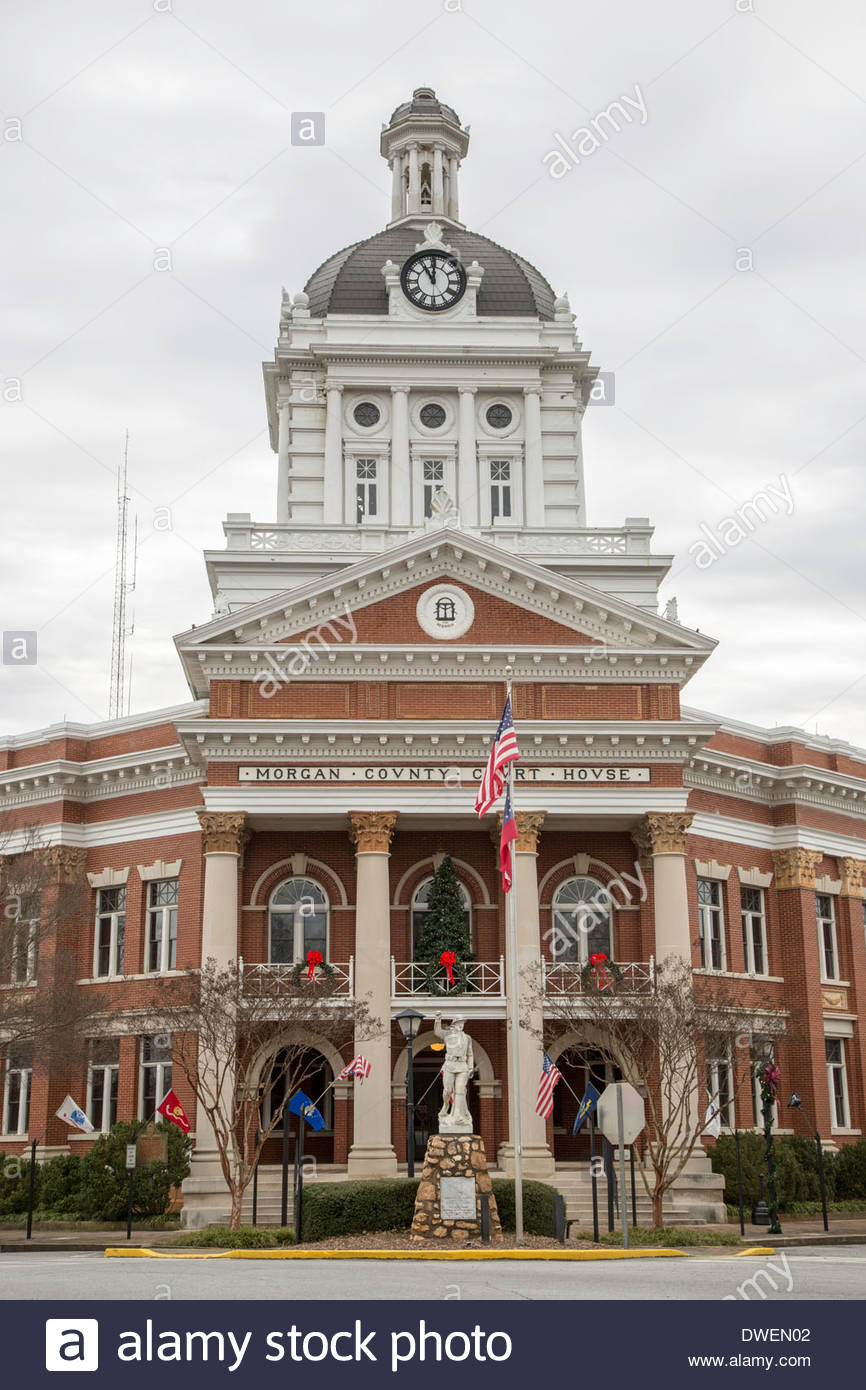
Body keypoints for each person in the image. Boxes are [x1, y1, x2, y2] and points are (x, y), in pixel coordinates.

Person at [434, 1012, 475, 1128]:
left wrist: (471, 1067)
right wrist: (438, 1019)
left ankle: (457, 1115)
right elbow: (437, 1032)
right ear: (454, 1024)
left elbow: (470, 1054)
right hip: (450, 1064)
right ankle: (446, 1106)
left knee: (460, 1090)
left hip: (462, 1065)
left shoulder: (467, 1038)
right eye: (459, 1023)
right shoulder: (448, 1035)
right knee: (447, 1090)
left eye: (462, 1023)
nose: (461, 1025)